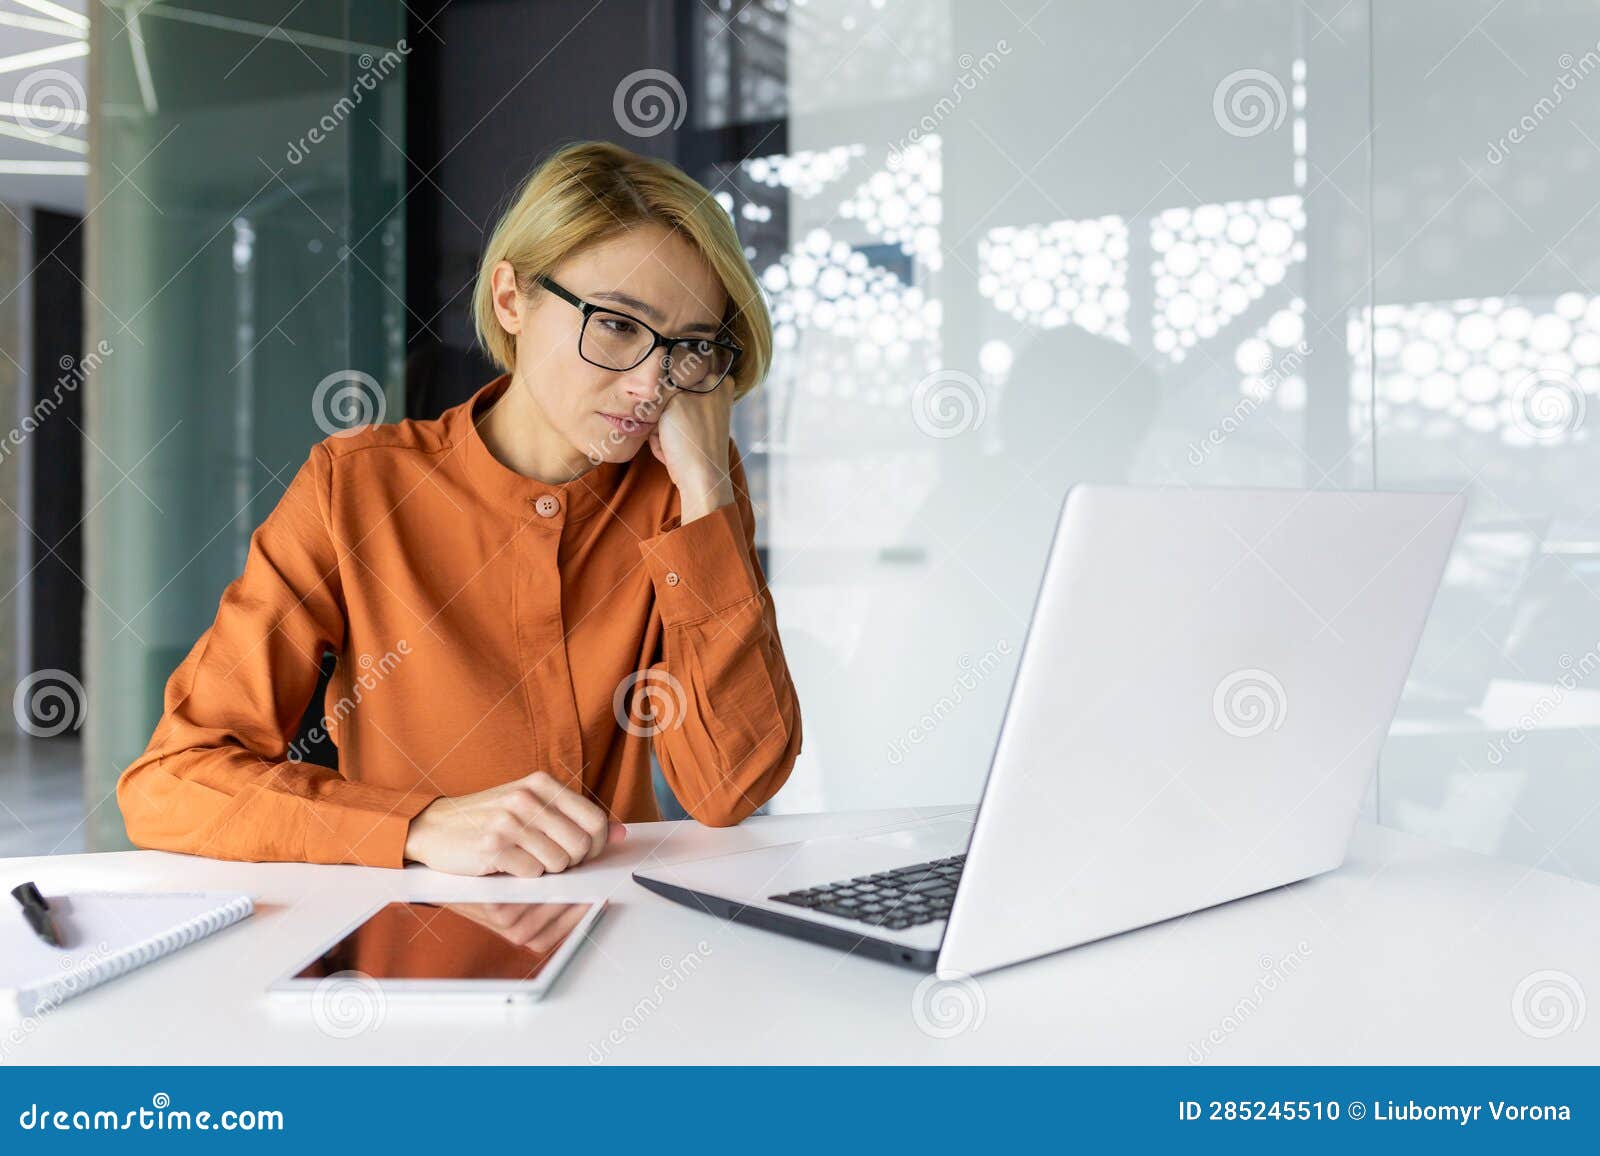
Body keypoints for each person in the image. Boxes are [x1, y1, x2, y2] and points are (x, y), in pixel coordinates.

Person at [117, 140, 803, 875]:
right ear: (511, 300)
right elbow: (171, 783)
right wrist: (417, 826)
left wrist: (707, 492)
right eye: (616, 324)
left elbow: (732, 786)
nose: (650, 384)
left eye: (689, 344)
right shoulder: (354, 489)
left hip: (620, 939)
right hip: (404, 942)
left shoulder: (687, 492)